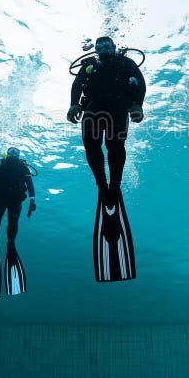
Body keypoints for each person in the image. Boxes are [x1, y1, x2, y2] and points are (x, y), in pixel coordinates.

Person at [66, 36, 146, 282]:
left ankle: (115, 184)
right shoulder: (89, 64)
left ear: (114, 48)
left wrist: (138, 106)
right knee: (90, 144)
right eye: (99, 46)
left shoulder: (126, 63)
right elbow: (77, 85)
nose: (102, 49)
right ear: (96, 49)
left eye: (107, 46)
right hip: (92, 108)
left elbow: (140, 83)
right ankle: (102, 184)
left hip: (119, 109)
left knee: (115, 146)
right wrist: (73, 105)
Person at [0, 147, 36, 296]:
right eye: (12, 152)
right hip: (1, 197)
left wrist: (32, 200)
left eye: (16, 152)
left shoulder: (23, 167)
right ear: (7, 154)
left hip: (11, 199)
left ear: (18, 155)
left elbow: (30, 185)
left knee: (10, 222)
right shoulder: (0, 164)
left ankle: (9, 242)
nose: (14, 154)